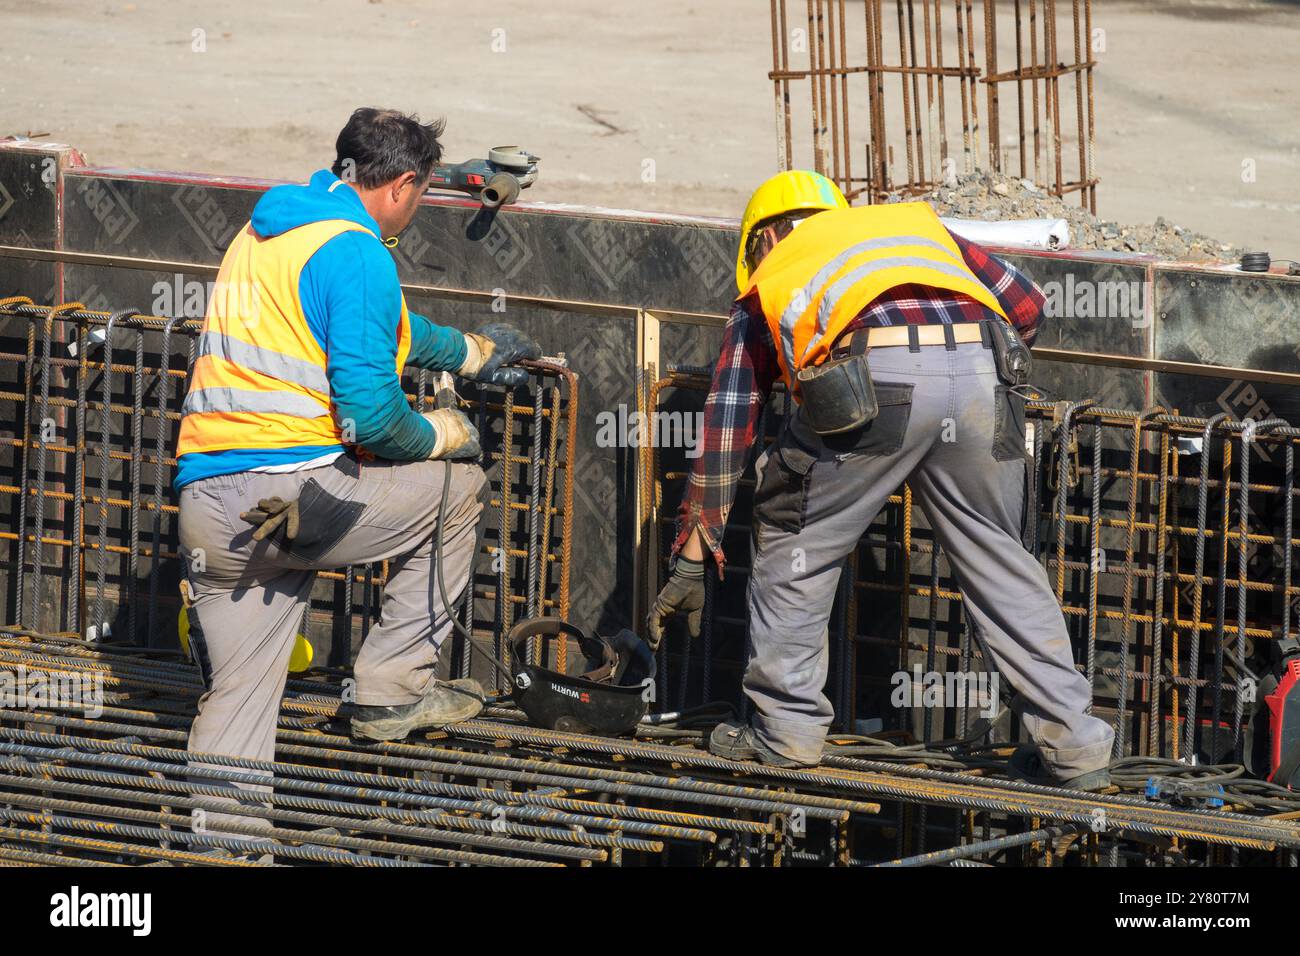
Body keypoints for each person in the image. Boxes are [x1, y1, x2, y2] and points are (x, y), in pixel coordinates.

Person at [648, 170, 1114, 791]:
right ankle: (1077, 749)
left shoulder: (777, 273)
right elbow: (1027, 304)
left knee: (796, 544)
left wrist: (694, 546)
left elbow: (732, 416)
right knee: (1002, 561)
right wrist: (961, 367)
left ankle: (785, 730)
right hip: (984, 374)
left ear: (762, 239)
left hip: (874, 382)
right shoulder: (910, 226)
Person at [174, 108, 539, 834]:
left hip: (207, 511)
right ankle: (391, 689)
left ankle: (228, 846)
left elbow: (377, 326)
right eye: (423, 192)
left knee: (240, 696)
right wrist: (444, 433)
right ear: (404, 184)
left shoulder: (265, 233)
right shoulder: (360, 251)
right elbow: (372, 418)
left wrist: (469, 352)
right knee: (459, 486)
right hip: (293, 500)